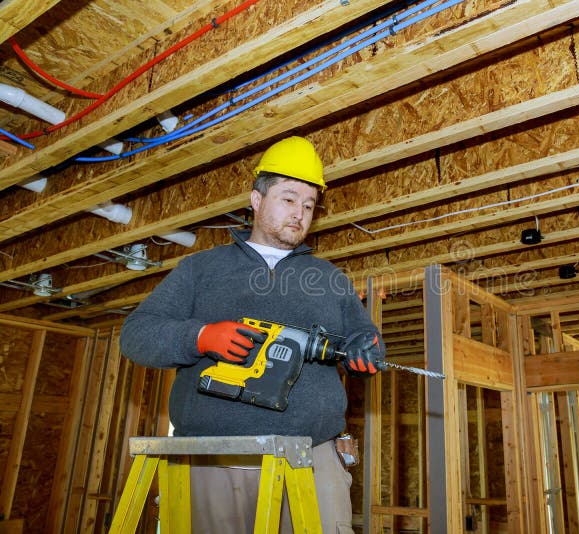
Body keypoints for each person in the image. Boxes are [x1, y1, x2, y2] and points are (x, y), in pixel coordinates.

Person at [119, 135, 385, 534]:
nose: (300, 213)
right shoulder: (200, 270)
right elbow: (136, 334)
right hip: (213, 464)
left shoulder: (331, 280)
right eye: (289, 198)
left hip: (311, 461)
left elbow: (366, 345)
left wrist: (367, 352)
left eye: (309, 205)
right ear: (257, 200)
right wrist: (201, 336)